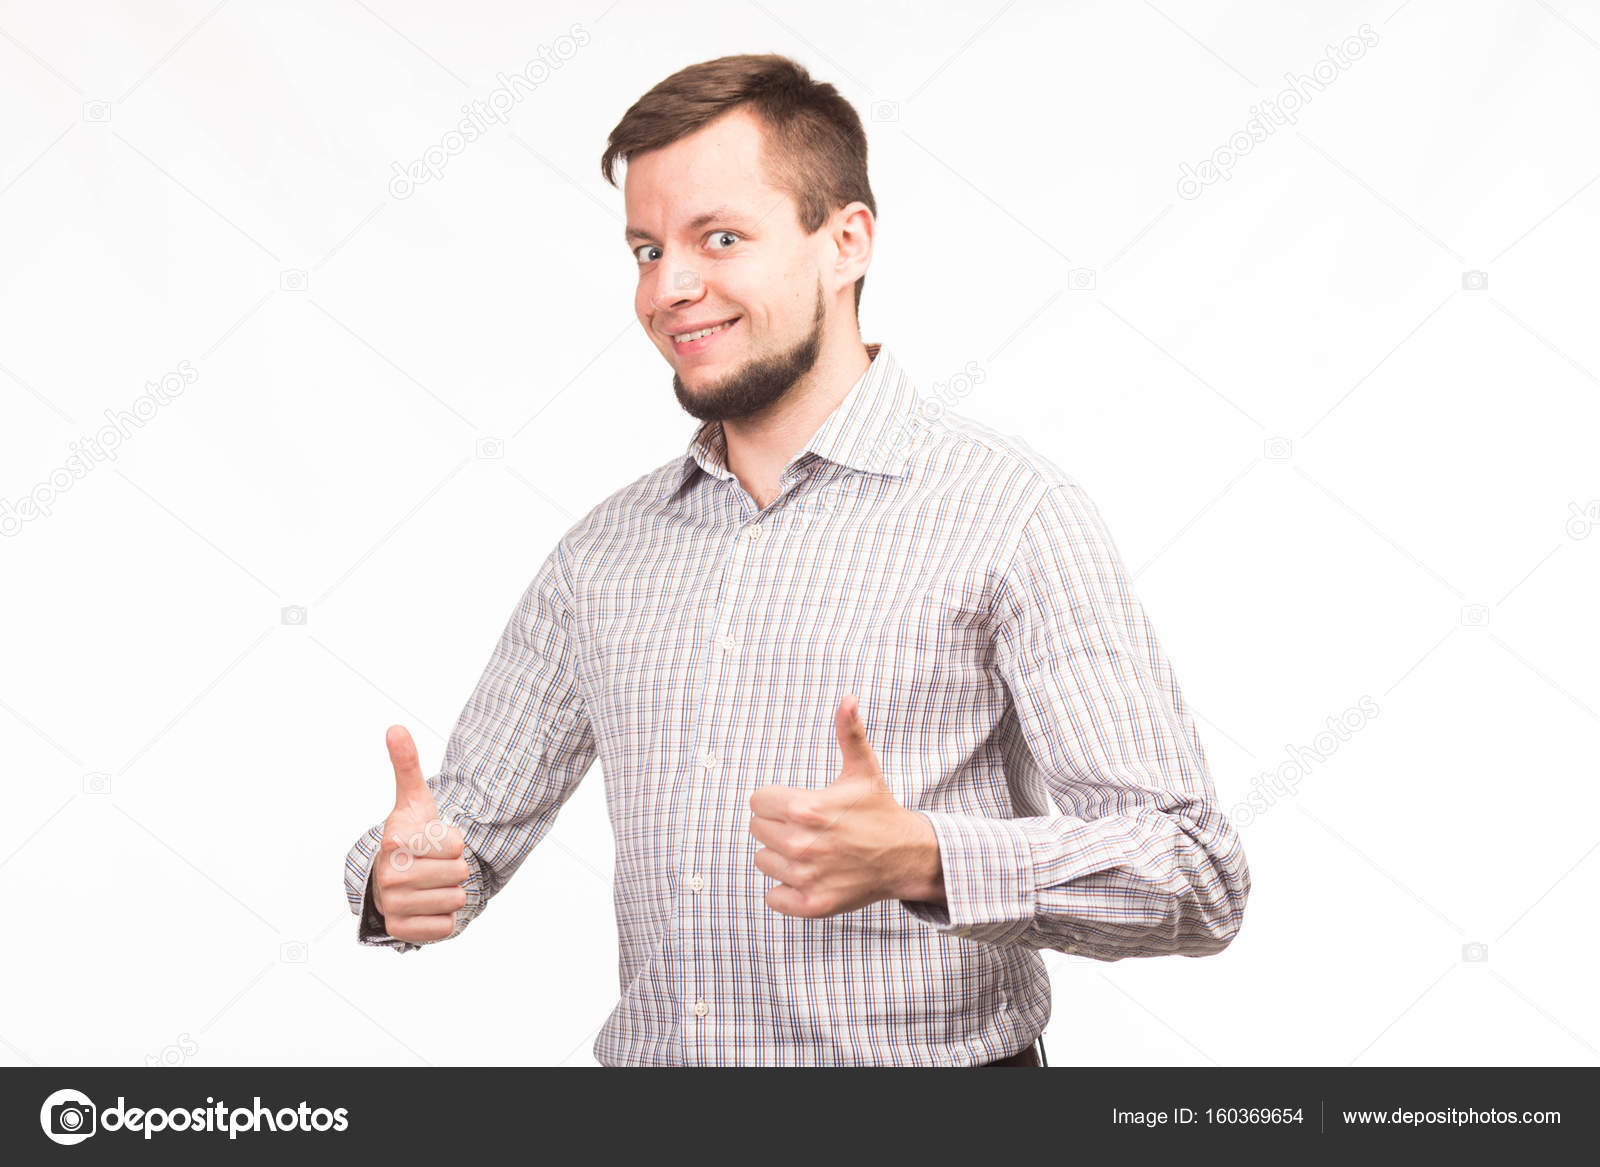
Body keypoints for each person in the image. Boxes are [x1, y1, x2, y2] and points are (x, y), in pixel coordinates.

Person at [344, 52, 1250, 1068]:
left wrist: (925, 856)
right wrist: (401, 882)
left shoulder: (1012, 514)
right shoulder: (599, 555)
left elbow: (1191, 874)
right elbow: (461, 836)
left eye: (718, 238)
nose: (669, 288)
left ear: (845, 241)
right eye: (645, 250)